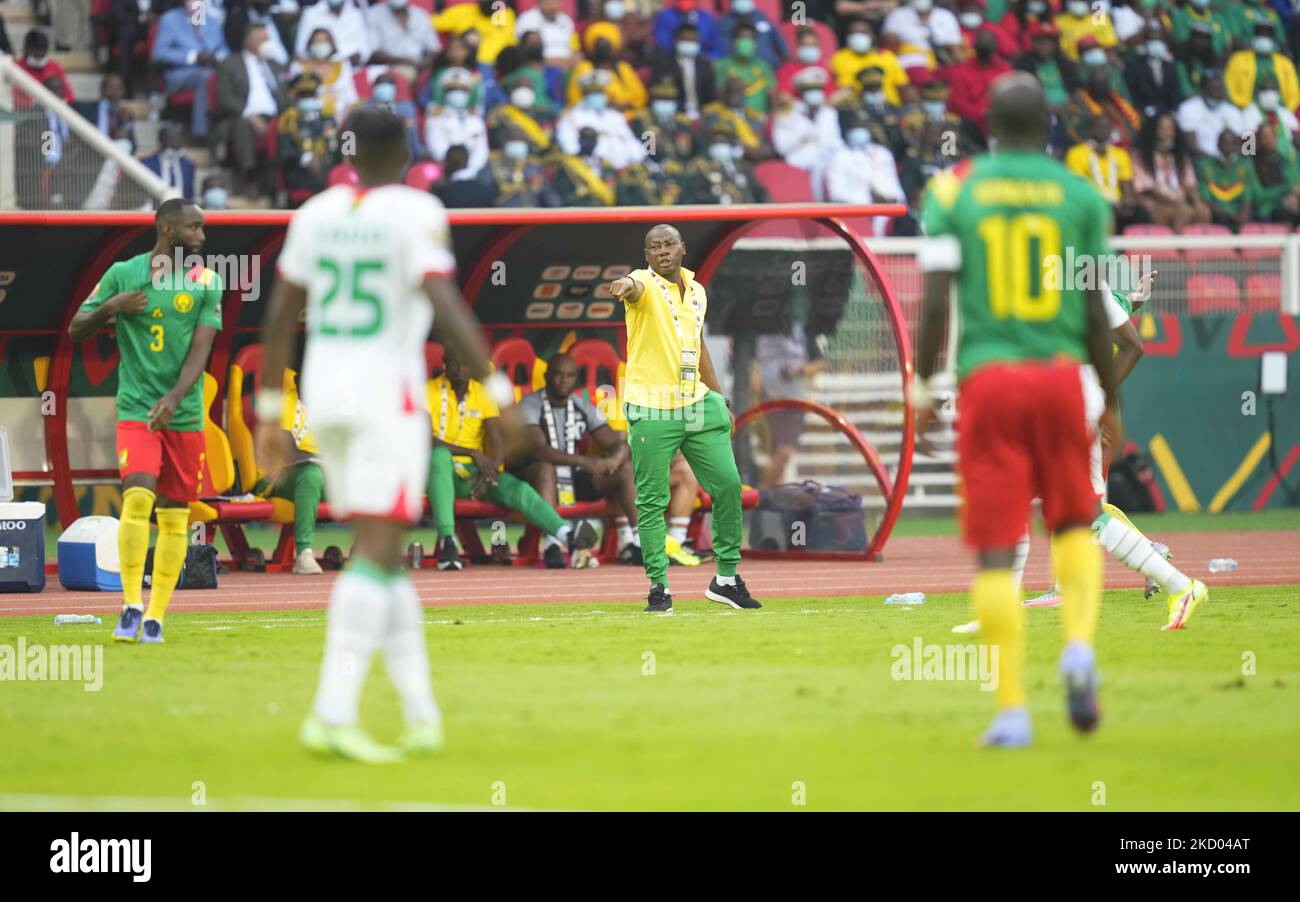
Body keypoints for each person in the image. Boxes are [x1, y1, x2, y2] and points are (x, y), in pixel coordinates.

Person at [256, 107, 511, 762]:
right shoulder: (414, 212)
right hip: (382, 398)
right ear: (403, 150)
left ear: (349, 150)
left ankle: (421, 713)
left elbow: (281, 312)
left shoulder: (315, 215)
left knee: (387, 552)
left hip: (325, 396)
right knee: (374, 548)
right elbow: (442, 297)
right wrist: (498, 387)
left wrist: (266, 412)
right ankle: (332, 712)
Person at [914, 73, 1119, 748]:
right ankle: (1080, 647)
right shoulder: (1082, 196)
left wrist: (922, 384)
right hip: (1062, 376)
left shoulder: (952, 191)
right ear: (1050, 128)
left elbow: (938, 300)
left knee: (997, 552)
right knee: (1073, 521)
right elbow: (1095, 309)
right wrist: (1110, 396)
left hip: (991, 382)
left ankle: (1010, 711)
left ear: (987, 128)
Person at [957, 273, 1210, 628]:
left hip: (1071, 409)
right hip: (1057, 405)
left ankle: (1175, 581)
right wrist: (1134, 299)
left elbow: (1130, 343)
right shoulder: (1074, 278)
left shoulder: (1068, 279)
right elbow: (1116, 315)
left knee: (1084, 512)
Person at [68, 199, 224, 645]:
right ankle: (130, 606)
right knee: (137, 498)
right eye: (195, 228)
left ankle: (156, 616)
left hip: (185, 414)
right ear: (169, 230)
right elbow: (76, 328)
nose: (203, 237)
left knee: (174, 518)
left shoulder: (207, 280)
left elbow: (202, 348)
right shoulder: (123, 273)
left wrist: (176, 397)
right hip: (137, 409)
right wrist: (110, 306)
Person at [607, 225, 761, 613]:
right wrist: (623, 285)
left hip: (697, 402)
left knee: (727, 485)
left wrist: (719, 395)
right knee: (652, 499)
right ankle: (659, 587)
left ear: (682, 248)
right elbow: (632, 285)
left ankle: (726, 579)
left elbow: (698, 344)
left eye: (669, 244)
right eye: (654, 246)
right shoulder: (643, 283)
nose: (662, 251)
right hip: (653, 406)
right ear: (646, 255)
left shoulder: (696, 291)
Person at [427, 348, 599, 571]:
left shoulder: (482, 393)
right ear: (445, 364)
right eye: (454, 362)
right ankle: (448, 543)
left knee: (518, 489)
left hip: (473, 473)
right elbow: (425, 439)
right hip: (435, 471)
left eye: (464, 362)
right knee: (439, 456)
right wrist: (473, 453)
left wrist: (492, 467)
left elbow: (497, 439)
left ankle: (568, 537)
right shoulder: (427, 391)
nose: (460, 368)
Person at [511, 353, 642, 566]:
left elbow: (616, 442)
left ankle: (639, 543)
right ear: (546, 376)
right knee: (545, 468)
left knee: (624, 470)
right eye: (558, 375)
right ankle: (552, 543)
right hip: (534, 479)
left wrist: (614, 461)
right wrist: (584, 462)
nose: (564, 380)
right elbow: (538, 450)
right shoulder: (530, 404)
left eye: (570, 376)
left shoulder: (583, 406)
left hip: (573, 478)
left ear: (576, 379)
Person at [252, 367, 327, 575]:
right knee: (311, 472)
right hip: (277, 476)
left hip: (319, 472)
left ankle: (367, 553)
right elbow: (287, 454)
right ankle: (304, 554)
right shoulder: (284, 403)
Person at [214, 21, 286, 197]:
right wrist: (250, 115)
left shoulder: (275, 66)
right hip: (241, 116)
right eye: (263, 39)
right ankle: (250, 176)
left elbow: (285, 98)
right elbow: (224, 98)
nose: (268, 43)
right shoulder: (229, 64)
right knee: (243, 125)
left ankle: (281, 185)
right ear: (249, 42)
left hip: (274, 117)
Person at [151, 0, 229, 140]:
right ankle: (201, 133)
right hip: (178, 73)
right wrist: (193, 57)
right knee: (206, 77)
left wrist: (216, 57)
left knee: (222, 77)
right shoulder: (170, 20)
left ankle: (222, 133)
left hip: (211, 69)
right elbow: (159, 53)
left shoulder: (211, 21)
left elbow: (224, 50)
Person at [1131, 112, 1209, 230]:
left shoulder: (1180, 157)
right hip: (1154, 203)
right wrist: (1177, 204)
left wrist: (1198, 203)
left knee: (1204, 212)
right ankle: (1177, 248)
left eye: (1170, 129)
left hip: (1179, 202)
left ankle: (1199, 248)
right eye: (1162, 128)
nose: (1167, 133)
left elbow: (1190, 183)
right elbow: (1148, 189)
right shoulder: (1141, 157)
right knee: (1184, 213)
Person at [367, 0, 440, 85]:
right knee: (406, 74)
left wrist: (425, 62)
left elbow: (434, 48)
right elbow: (374, 52)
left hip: (420, 64)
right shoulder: (374, 14)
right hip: (391, 64)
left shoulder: (420, 15)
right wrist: (405, 61)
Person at [293, 0, 370, 68]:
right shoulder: (310, 14)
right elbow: (300, 51)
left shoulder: (356, 15)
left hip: (352, 68)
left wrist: (353, 59)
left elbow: (365, 49)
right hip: (318, 67)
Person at [141, 122, 198, 201]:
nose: (173, 143)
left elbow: (189, 194)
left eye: (177, 139)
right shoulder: (146, 163)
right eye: (170, 139)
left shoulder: (188, 165)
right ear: (161, 140)